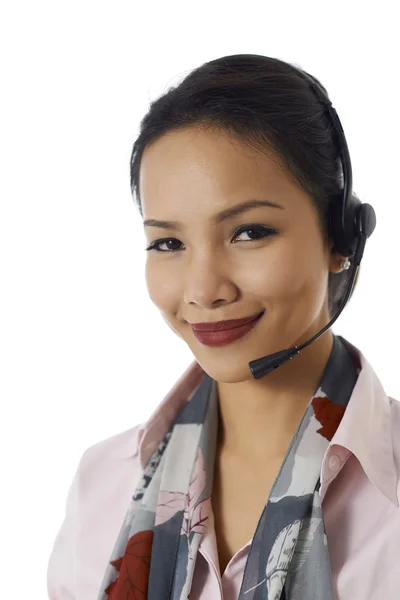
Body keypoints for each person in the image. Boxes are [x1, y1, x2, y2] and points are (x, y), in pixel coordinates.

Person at [47, 54, 400, 600]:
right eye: (169, 243)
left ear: (340, 238)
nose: (203, 288)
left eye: (249, 232)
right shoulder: (103, 483)